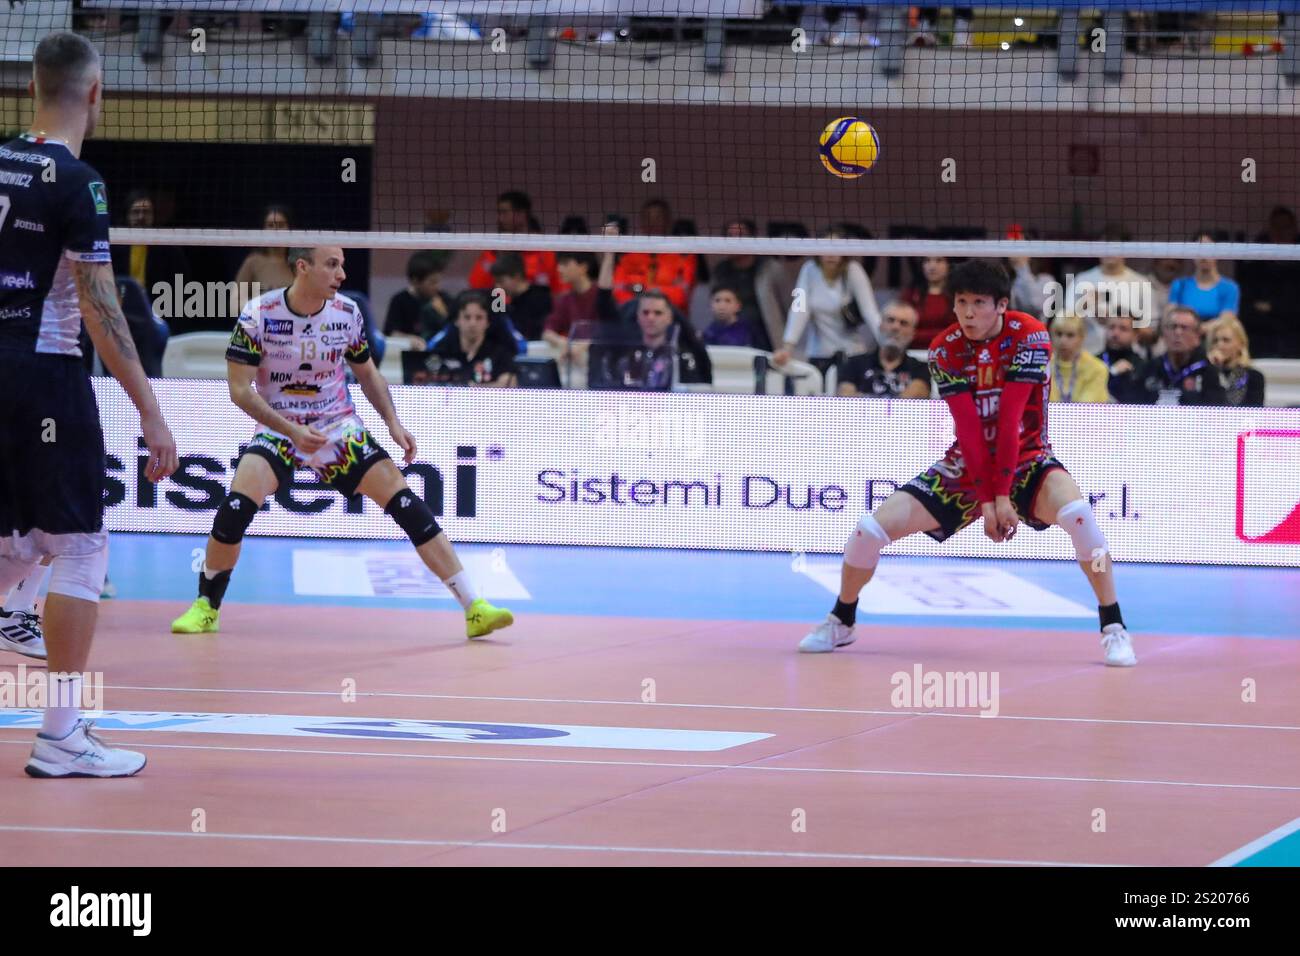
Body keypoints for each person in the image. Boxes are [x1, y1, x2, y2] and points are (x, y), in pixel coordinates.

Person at [797, 260, 1137, 668]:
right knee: (867, 532)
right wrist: (987, 498)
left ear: (1001, 305)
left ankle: (1113, 625)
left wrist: (1002, 496)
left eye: (980, 303)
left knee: (1081, 518)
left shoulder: (1029, 335)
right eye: (961, 303)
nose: (969, 312)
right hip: (967, 464)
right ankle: (843, 619)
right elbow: (970, 429)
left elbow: (1010, 419)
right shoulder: (945, 348)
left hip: (1028, 460)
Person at [169, 247, 513, 640]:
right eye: (332, 265)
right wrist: (292, 431)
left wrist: (393, 423)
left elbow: (367, 375)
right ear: (303, 267)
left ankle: (474, 608)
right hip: (279, 428)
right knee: (234, 508)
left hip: (338, 427)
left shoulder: (347, 313)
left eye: (342, 265)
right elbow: (239, 391)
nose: (342, 274)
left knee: (406, 503)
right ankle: (206, 608)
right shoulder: (258, 314)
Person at [1, 32, 180, 776]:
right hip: (43, 375)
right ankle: (62, 736)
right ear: (97, 92)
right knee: (78, 549)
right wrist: (150, 409)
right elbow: (104, 314)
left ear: (31, 89)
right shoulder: (79, 183)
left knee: (11, 546)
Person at [590, 223, 711, 390]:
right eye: (645, 312)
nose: (651, 317)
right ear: (638, 316)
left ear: (670, 317)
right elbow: (603, 299)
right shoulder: (625, 348)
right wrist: (609, 252)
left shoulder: (682, 356)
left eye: (658, 313)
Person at [775, 228, 882, 371]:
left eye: (836, 248)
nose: (831, 254)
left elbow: (870, 312)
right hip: (818, 355)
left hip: (852, 354)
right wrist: (787, 347)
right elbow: (799, 309)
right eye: (826, 247)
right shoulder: (809, 270)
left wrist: (886, 342)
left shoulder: (853, 270)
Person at [709, 218, 786, 351]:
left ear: (752, 238)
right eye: (730, 236)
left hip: (767, 338)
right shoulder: (720, 271)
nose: (735, 241)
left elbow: (788, 303)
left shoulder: (770, 268)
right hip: (730, 339)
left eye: (740, 236)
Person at [610, 198, 698, 312]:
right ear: (640, 221)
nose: (652, 222)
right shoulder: (627, 257)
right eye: (647, 218)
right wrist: (662, 290)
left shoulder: (684, 256)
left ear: (668, 221)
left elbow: (680, 296)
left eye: (657, 218)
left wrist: (638, 289)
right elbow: (617, 293)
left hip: (672, 317)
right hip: (633, 317)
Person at [836, 300, 930, 398]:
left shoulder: (921, 368)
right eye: (890, 320)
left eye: (903, 323)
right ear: (880, 326)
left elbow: (915, 400)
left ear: (912, 333)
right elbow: (846, 399)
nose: (895, 327)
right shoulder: (853, 364)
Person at [422, 291, 518, 386]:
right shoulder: (441, 350)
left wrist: (471, 389)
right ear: (456, 320)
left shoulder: (500, 352)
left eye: (479, 318)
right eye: (467, 317)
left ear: (488, 322)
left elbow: (509, 383)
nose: (473, 324)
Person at [1136, 306, 1227, 406]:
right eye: (1173, 327)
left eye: (1184, 328)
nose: (1178, 332)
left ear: (1197, 336)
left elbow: (1216, 415)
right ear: (1164, 334)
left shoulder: (1209, 373)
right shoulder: (1150, 369)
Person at [384, 250, 452, 349]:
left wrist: (444, 314)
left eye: (438, 281)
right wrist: (411, 339)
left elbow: (455, 329)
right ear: (415, 281)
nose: (437, 287)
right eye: (432, 282)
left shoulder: (444, 298)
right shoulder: (399, 300)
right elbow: (391, 333)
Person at [1169, 233, 1240, 324]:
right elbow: (1170, 315)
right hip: (1184, 335)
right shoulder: (1179, 284)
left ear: (1219, 253)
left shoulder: (1230, 287)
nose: (1203, 255)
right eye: (1199, 250)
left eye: (1208, 250)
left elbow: (1226, 320)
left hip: (1213, 336)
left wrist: (1198, 329)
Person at [234, 204, 295, 308]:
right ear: (263, 229)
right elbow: (235, 302)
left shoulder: (299, 263)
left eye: (281, 225)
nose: (275, 230)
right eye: (270, 225)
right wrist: (261, 310)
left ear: (290, 228)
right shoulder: (253, 262)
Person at [1047, 314, 1111, 403]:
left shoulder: (1097, 368)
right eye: (1058, 334)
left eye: (1070, 335)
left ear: (1082, 337)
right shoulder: (1044, 366)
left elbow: (1087, 408)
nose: (1063, 340)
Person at [490, 252, 552, 341]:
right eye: (495, 282)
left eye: (501, 281)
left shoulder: (542, 299)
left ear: (517, 276)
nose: (497, 287)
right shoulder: (506, 305)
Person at [1205, 316, 1265, 407]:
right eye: (1215, 341)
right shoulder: (1203, 374)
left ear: (1240, 345)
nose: (1219, 345)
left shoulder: (1254, 377)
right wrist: (1213, 370)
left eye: (1226, 340)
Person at [901, 256, 955, 346]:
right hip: (913, 351)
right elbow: (902, 330)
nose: (932, 266)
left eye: (939, 260)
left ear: (948, 265)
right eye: (927, 261)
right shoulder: (910, 295)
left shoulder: (958, 296)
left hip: (949, 352)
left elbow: (960, 331)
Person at [1097, 313, 1146, 404]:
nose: (1115, 334)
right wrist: (1112, 373)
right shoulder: (1093, 363)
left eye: (1123, 329)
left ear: (1135, 335)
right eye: (1111, 327)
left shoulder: (1143, 366)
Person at [700, 283, 758, 347]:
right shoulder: (709, 332)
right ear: (710, 305)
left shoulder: (749, 330)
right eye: (717, 301)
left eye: (728, 301)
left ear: (738, 306)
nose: (721, 306)